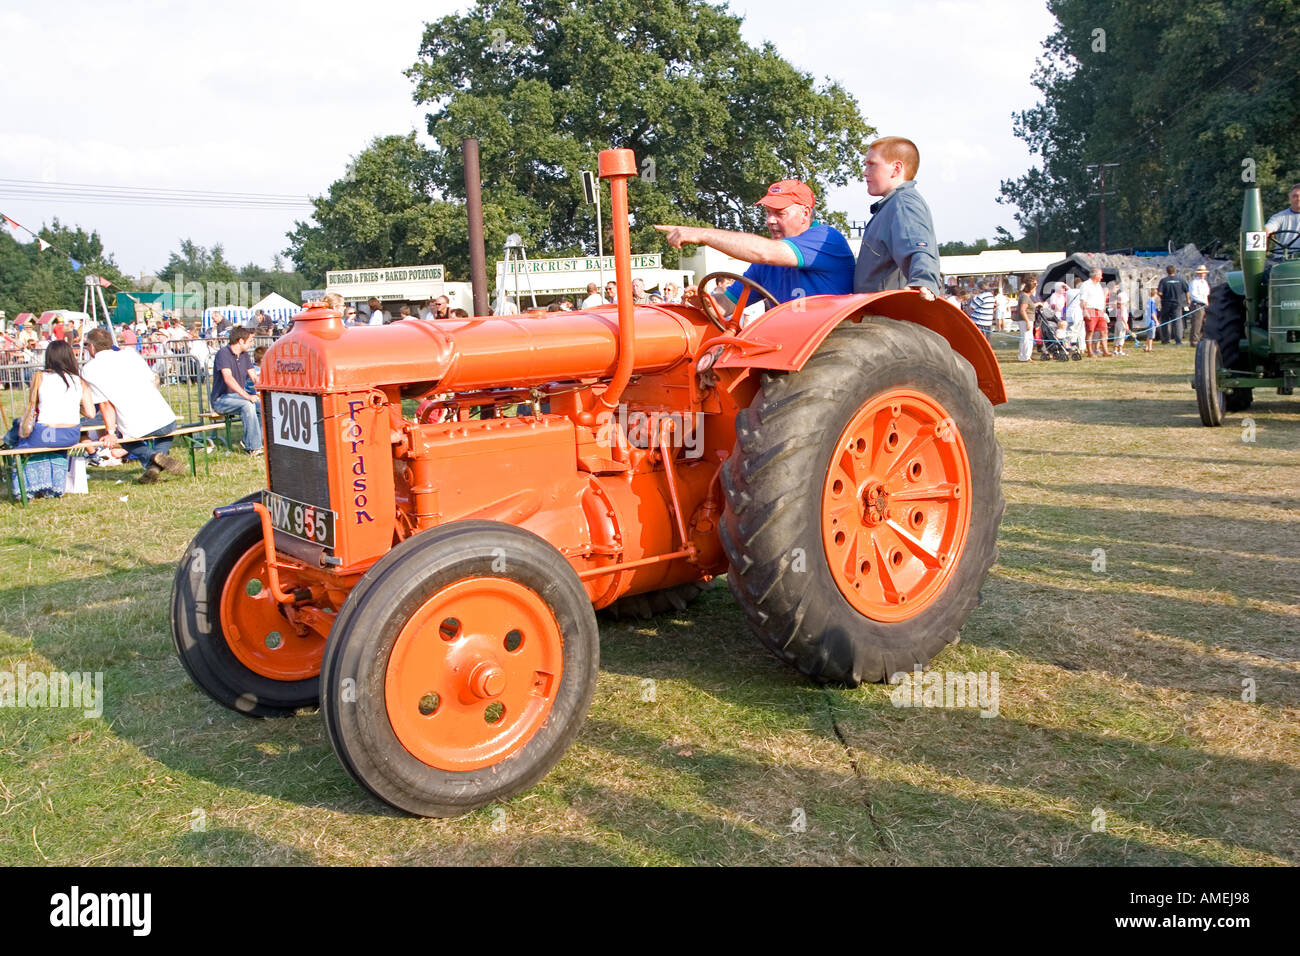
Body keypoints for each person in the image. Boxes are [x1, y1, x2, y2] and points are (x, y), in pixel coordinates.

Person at [655, 177, 855, 311]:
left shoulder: (825, 239)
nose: (770, 220)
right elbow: (728, 305)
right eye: (768, 212)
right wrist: (703, 302)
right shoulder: (766, 266)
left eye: (779, 213)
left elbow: (764, 252)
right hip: (787, 345)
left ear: (804, 213)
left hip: (828, 346)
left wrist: (701, 234)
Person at [80, 327, 185, 483]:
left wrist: (110, 432)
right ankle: (155, 466)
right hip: (165, 418)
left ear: (92, 347)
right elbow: (153, 380)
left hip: (135, 426)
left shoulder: (89, 369)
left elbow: (105, 404)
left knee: (126, 441)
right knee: (165, 431)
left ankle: (152, 459)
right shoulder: (130, 354)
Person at [7, 340, 97, 500]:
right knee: (54, 447)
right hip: (70, 434)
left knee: (18, 440)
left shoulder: (39, 376)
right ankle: (53, 485)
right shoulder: (79, 381)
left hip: (46, 432)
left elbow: (32, 404)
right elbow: (90, 413)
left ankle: (27, 488)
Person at [853, 136, 941, 297]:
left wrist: (923, 280)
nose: (865, 173)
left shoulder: (904, 203)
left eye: (872, 165)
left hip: (886, 316)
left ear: (896, 169)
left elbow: (919, 247)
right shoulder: (890, 207)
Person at [211, 327, 263, 455]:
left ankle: (255, 441)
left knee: (261, 405)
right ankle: (252, 447)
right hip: (221, 399)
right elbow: (228, 378)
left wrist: (264, 390)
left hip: (237, 397)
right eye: (250, 340)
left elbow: (255, 377)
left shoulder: (244, 355)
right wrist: (248, 396)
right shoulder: (223, 354)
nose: (252, 343)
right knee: (247, 404)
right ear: (240, 341)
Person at [1080, 267, 1110, 357]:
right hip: (1090, 309)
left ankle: (1105, 351)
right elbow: (1083, 299)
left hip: (1100, 311)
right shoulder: (1086, 285)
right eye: (1100, 275)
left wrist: (1103, 311)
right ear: (1095, 275)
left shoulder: (1098, 286)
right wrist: (1085, 311)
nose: (1101, 277)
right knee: (1090, 331)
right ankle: (1090, 352)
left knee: (1104, 331)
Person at [1155, 265, 1188, 345]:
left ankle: (1165, 340)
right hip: (1177, 304)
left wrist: (1162, 296)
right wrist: (1188, 300)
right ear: (1175, 271)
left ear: (1167, 271)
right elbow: (1187, 290)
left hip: (1166, 303)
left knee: (1165, 321)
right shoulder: (1180, 280)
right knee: (1177, 322)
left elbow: (1159, 292)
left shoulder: (1164, 281)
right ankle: (1178, 340)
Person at [1187, 264, 1210, 347]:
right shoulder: (1194, 283)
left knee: (1205, 322)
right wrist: (1204, 302)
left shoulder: (1205, 283)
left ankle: (1204, 338)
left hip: (1205, 304)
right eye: (1201, 273)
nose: (1203, 274)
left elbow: (1207, 294)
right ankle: (1194, 341)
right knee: (1197, 323)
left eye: (1204, 273)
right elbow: (1194, 296)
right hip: (1197, 304)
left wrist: (1207, 302)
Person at [1015, 276, 1036, 362]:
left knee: (1026, 338)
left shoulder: (1024, 296)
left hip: (1027, 319)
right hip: (1025, 320)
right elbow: (1022, 310)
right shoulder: (1025, 297)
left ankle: (1025, 356)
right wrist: (1027, 322)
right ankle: (1026, 356)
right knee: (1026, 338)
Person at [1112, 281, 1131, 355]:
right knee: (1121, 337)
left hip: (1117, 322)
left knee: (1116, 336)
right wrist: (1126, 324)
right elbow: (1123, 316)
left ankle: (1115, 350)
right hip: (1122, 323)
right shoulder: (1123, 307)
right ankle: (1120, 350)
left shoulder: (1118, 307)